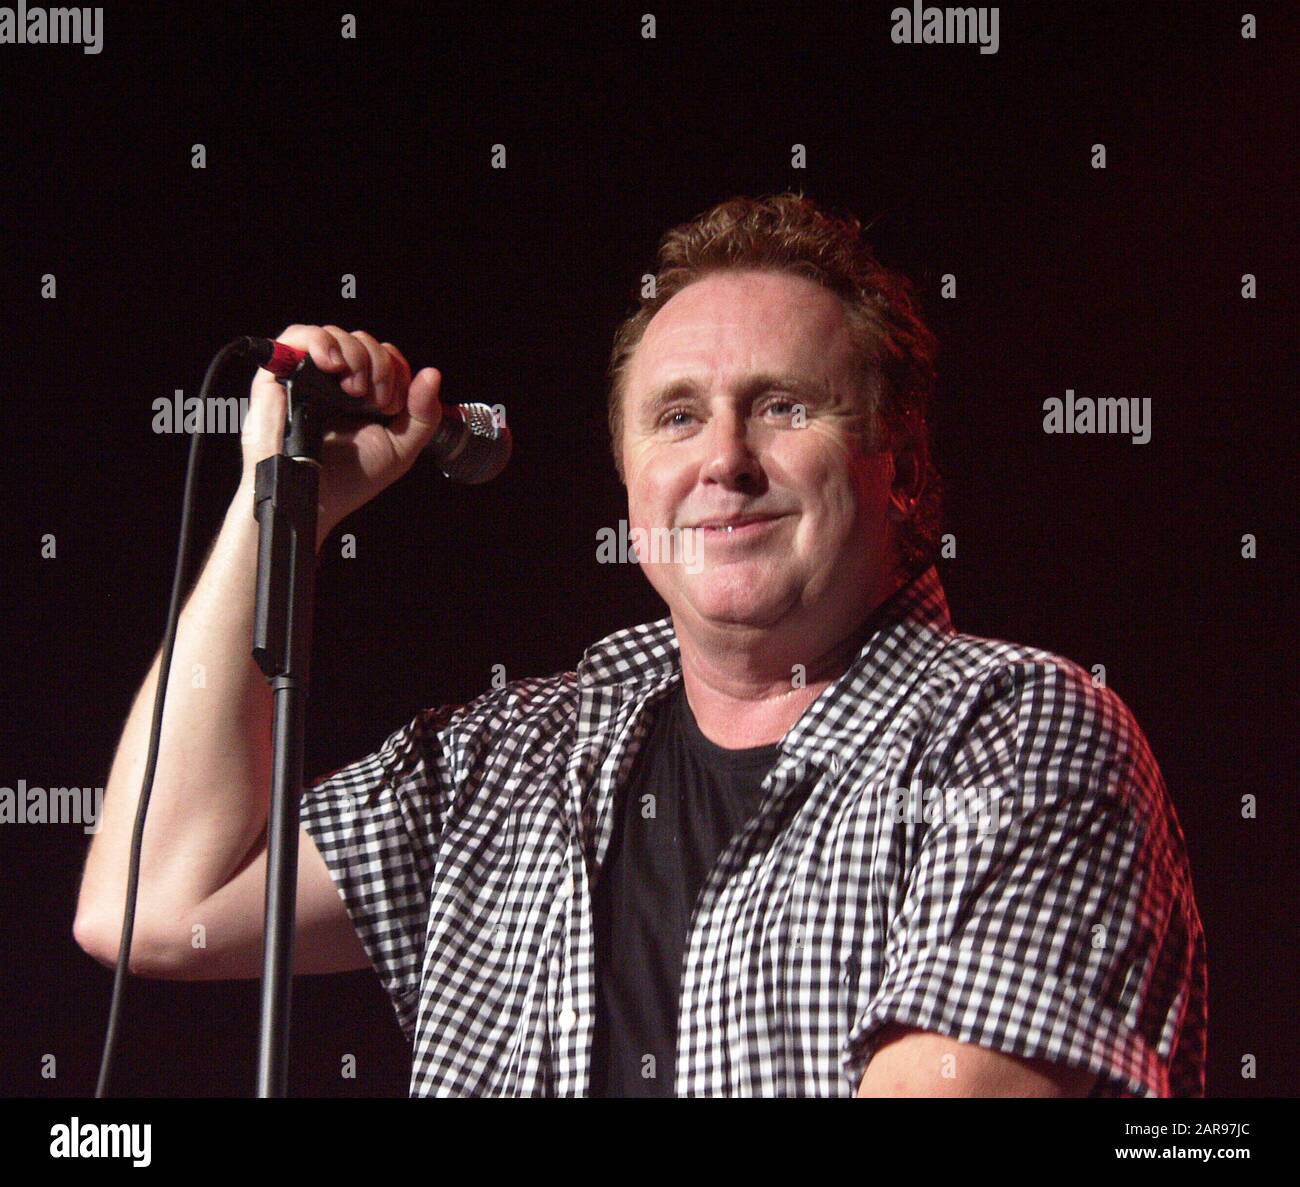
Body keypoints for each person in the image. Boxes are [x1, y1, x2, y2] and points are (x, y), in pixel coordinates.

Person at [75, 192, 1207, 1097]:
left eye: (782, 406)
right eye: (675, 416)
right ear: (629, 488)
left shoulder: (1019, 733)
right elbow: (159, 900)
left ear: (899, 468)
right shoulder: (516, 756)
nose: (722, 458)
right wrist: (281, 507)